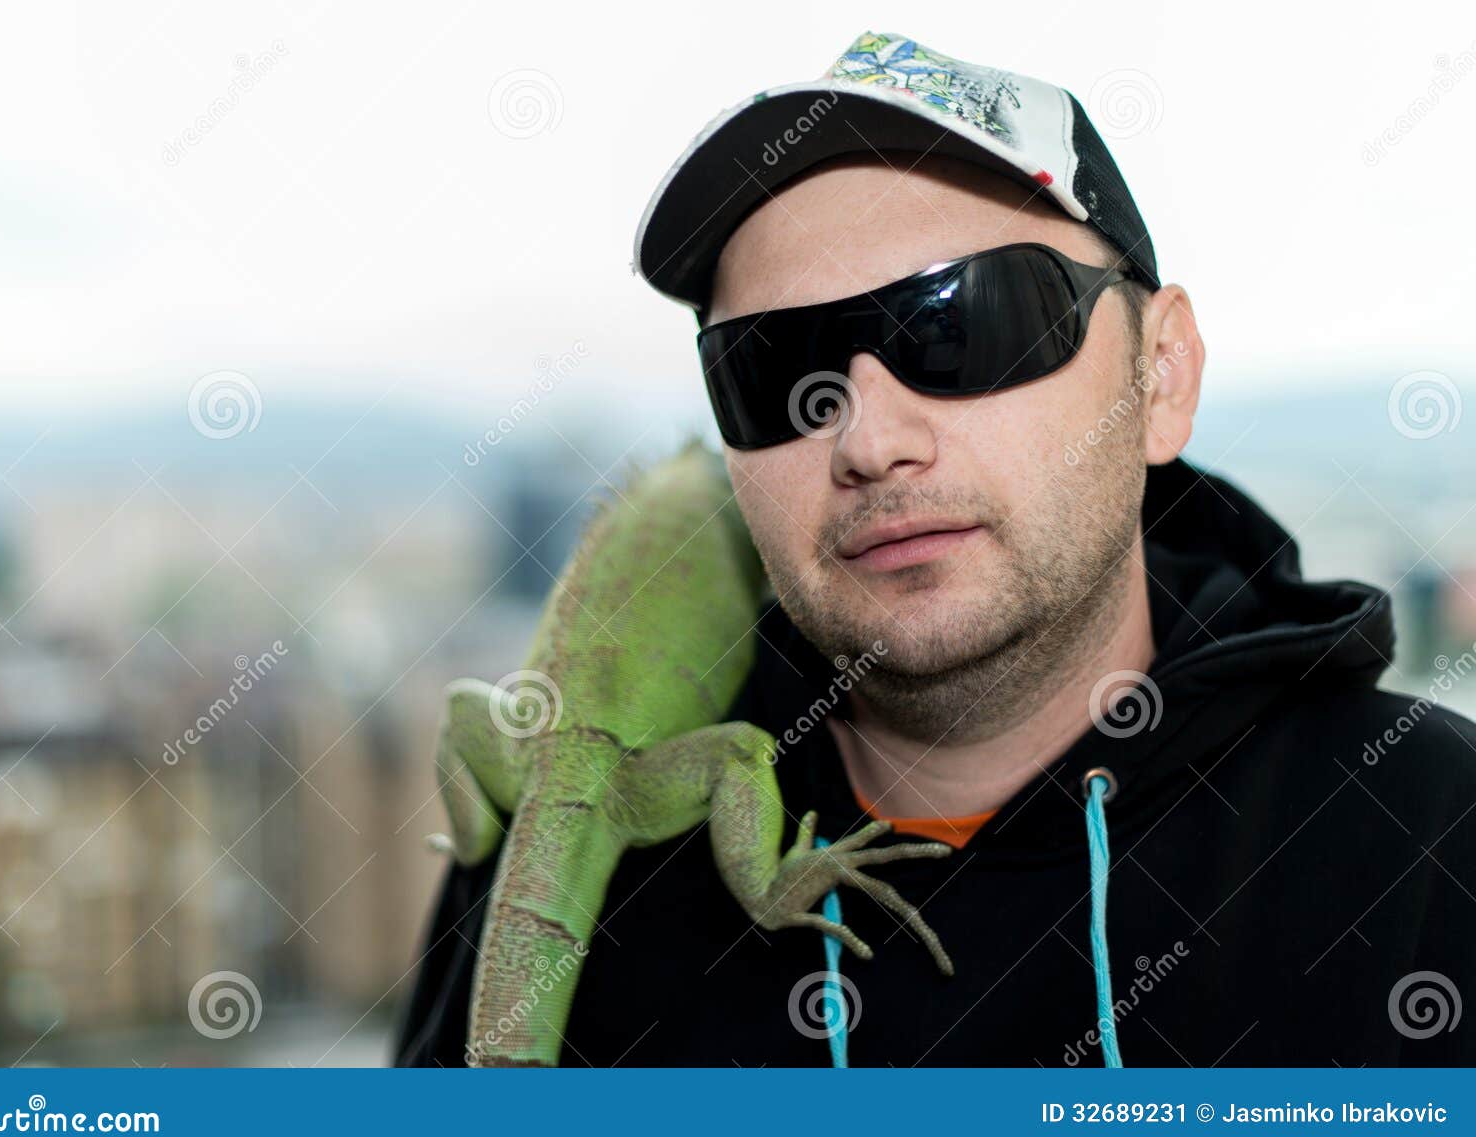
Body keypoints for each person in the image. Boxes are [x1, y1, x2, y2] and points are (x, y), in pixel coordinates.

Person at [395, 32, 1476, 1066]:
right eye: (774, 367)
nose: (867, 438)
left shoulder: (1430, 841)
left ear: (1163, 374)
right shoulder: (538, 909)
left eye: (966, 322)